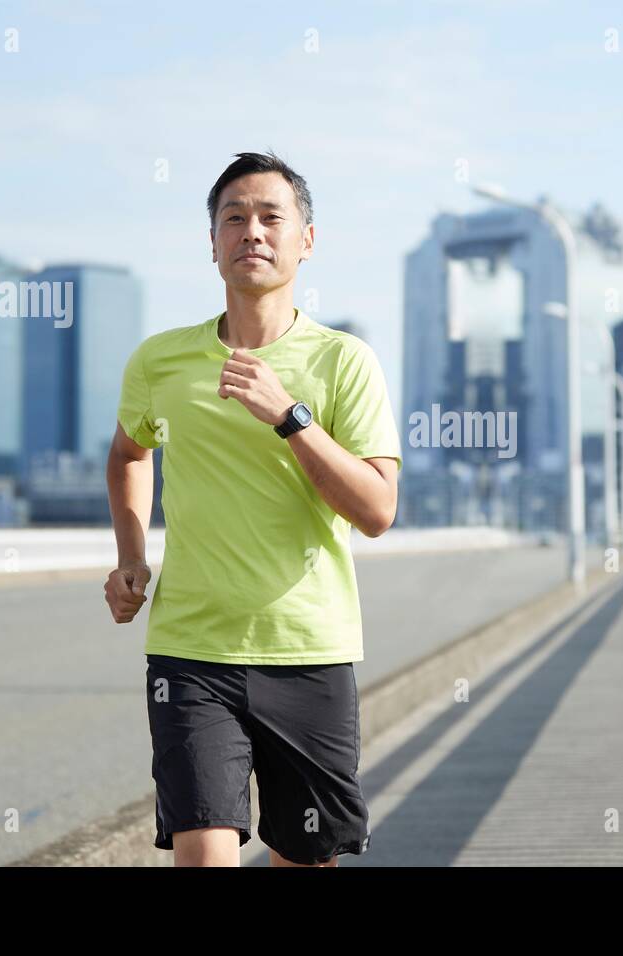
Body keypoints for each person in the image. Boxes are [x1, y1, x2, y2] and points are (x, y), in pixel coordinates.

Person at [103, 151, 401, 867]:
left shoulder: (343, 361)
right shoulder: (161, 362)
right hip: (192, 651)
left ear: (306, 238)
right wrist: (132, 554)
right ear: (212, 244)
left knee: (307, 858)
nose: (252, 232)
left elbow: (377, 509)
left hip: (310, 651)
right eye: (233, 219)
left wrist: (291, 416)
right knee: (201, 855)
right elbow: (128, 454)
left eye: (272, 217)